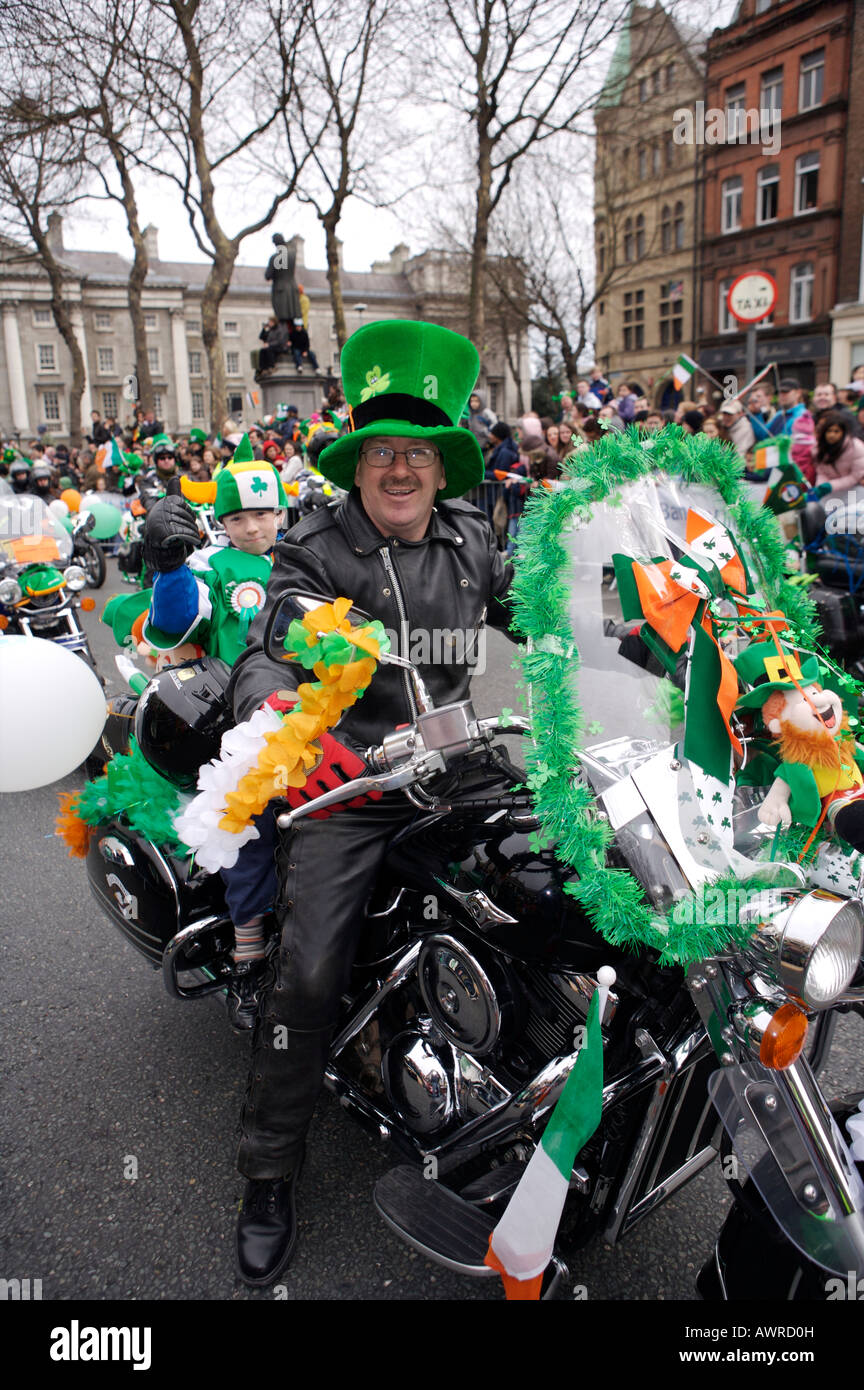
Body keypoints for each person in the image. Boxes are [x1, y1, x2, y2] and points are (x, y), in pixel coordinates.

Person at [225, 318, 516, 1285]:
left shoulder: (473, 538)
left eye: (418, 455)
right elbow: (268, 652)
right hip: (355, 782)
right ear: (359, 465)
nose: (400, 469)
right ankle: (269, 1168)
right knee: (308, 973)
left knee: (574, 875)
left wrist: (654, 623)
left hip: (463, 765)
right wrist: (296, 726)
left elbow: (552, 606)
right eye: (383, 453)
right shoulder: (316, 550)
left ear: (441, 470)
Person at [806, 410, 864, 500]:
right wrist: (821, 487)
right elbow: (822, 473)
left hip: (854, 490)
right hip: (833, 492)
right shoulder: (817, 449)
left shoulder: (856, 447)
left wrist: (831, 486)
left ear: (843, 432)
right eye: (829, 431)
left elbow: (856, 476)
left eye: (836, 431)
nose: (832, 435)